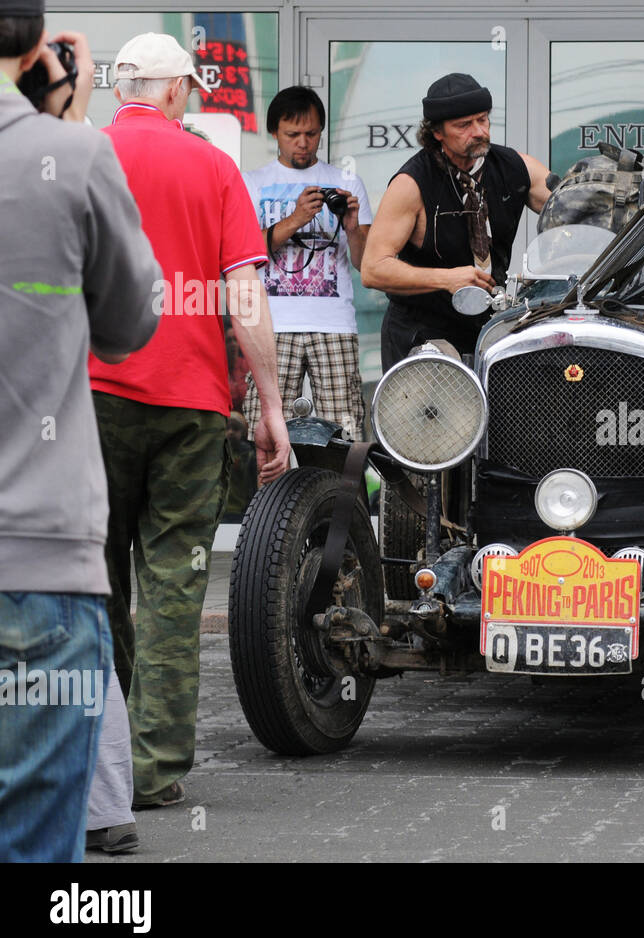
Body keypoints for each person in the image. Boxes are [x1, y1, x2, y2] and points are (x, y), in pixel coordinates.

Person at [91, 31, 291, 811]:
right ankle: (154, 767)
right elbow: (243, 297)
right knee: (174, 579)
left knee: (93, 577)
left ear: (121, 90)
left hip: (92, 395)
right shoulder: (214, 168)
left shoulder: (81, 160)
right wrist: (269, 405)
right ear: (176, 92)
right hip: (191, 402)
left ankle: (93, 759)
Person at [0, 6, 160, 861]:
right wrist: (61, 122)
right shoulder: (73, 157)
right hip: (36, 559)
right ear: (36, 52)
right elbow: (130, 322)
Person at [361, 72, 552, 368]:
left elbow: (570, 207)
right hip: (423, 338)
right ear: (437, 132)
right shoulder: (411, 183)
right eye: (464, 125)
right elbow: (373, 269)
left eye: (483, 120)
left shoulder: (516, 167)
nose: (478, 131)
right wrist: (446, 278)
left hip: (489, 332)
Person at [243, 85, 372, 440]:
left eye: (311, 134)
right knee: (266, 432)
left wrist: (351, 226)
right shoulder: (251, 184)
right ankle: (269, 498)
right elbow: (243, 254)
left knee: (344, 434)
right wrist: (296, 218)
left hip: (334, 324)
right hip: (271, 326)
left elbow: (365, 264)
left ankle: (340, 498)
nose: (303, 142)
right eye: (293, 134)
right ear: (275, 134)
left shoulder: (347, 182)